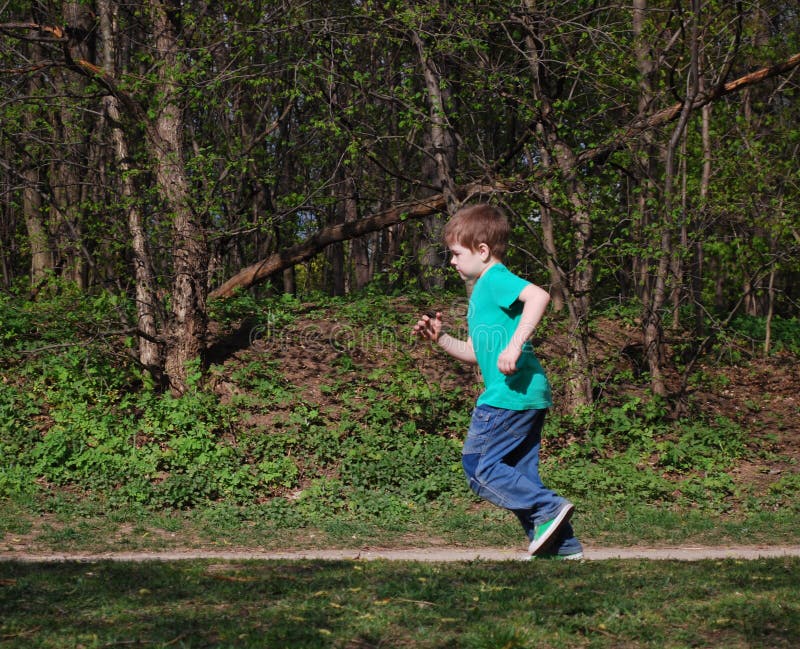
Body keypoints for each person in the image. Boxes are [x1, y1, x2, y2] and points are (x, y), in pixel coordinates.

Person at [413, 203, 582, 559]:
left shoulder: (495, 278)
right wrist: (441, 339)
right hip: (526, 393)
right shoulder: (481, 293)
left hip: (508, 394)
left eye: (457, 254)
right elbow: (476, 352)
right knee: (520, 476)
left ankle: (550, 507)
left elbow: (539, 295)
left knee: (479, 468)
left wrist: (516, 345)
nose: (453, 262)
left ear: (483, 251)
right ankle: (564, 549)